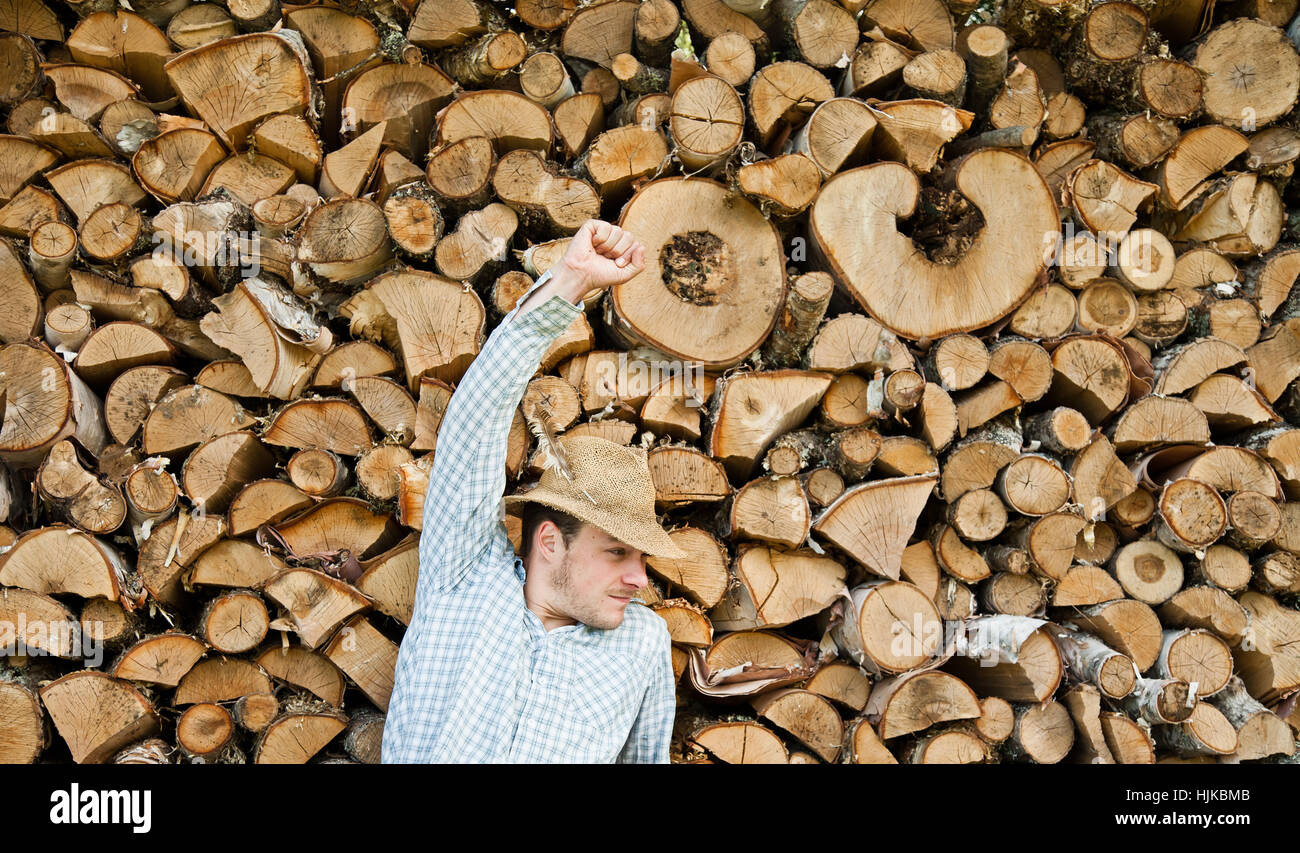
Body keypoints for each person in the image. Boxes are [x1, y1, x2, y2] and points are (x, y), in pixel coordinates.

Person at [381, 219, 688, 764]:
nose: (640, 577)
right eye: (617, 551)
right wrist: (570, 280)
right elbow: (474, 423)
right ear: (550, 542)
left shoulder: (642, 644)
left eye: (640, 555)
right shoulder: (465, 578)